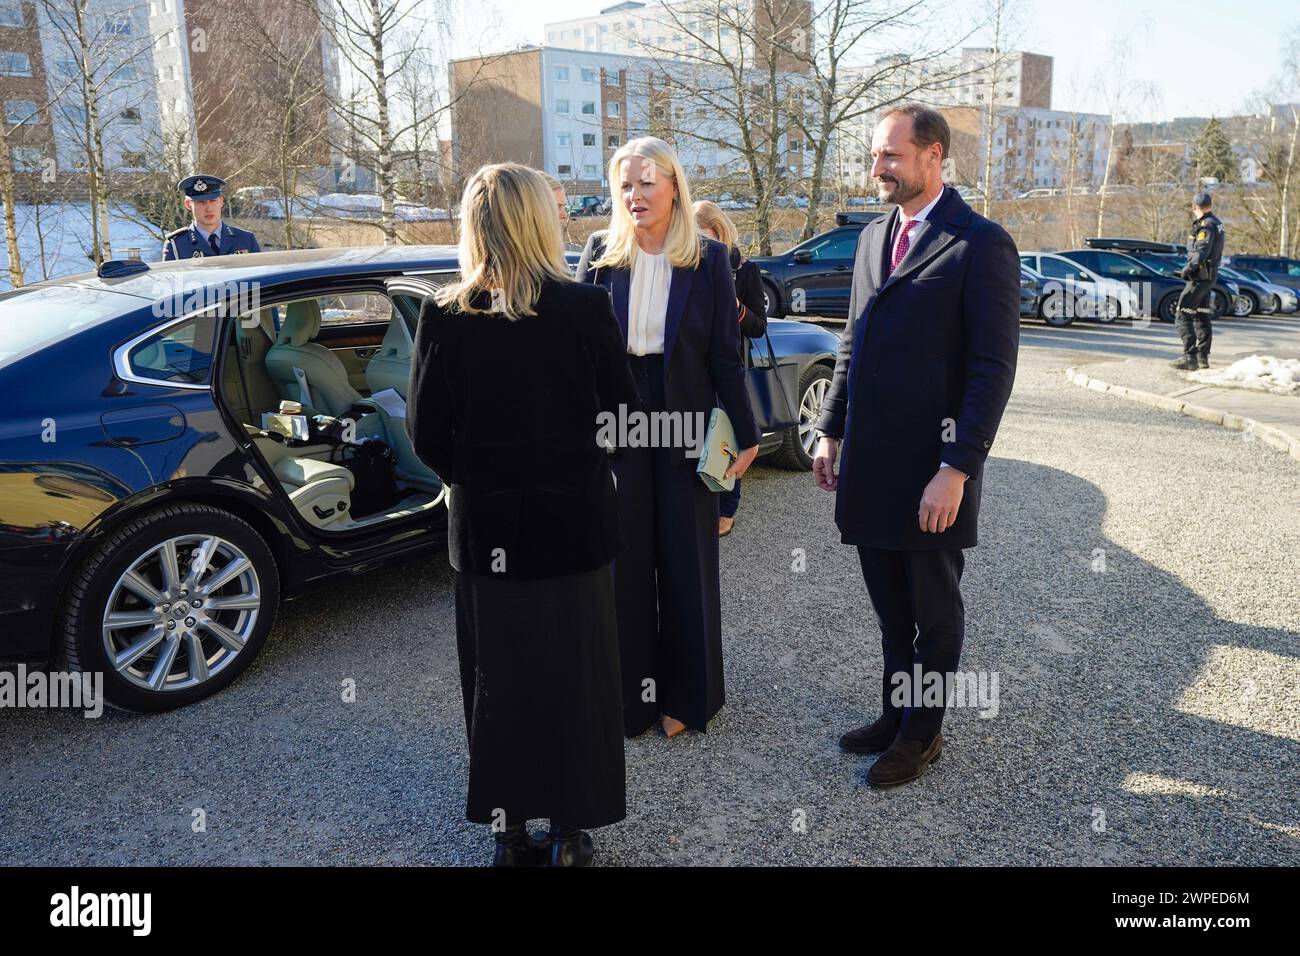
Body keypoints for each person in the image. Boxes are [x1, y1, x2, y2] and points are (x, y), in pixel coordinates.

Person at [406, 163, 641, 867]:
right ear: (540, 220)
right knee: (578, 678)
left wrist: (475, 480)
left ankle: (511, 837)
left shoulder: (446, 314)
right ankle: (570, 832)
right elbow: (624, 418)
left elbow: (424, 432)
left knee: (497, 683)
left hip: (487, 535)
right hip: (572, 529)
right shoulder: (583, 308)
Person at [812, 104, 1019, 788]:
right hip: (872, 467)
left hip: (933, 469)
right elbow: (853, 345)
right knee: (889, 607)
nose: (878, 168)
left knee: (933, 611)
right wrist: (831, 430)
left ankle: (922, 734)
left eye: (891, 156)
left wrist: (957, 467)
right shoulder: (874, 237)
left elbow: (992, 370)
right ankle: (895, 712)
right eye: (876, 156)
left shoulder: (979, 243)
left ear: (933, 156)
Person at [576, 136, 760, 739]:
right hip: (620, 419)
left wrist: (747, 433)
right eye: (625, 184)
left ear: (674, 186)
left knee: (687, 559)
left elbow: (726, 359)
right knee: (624, 562)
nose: (635, 194)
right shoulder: (600, 252)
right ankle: (629, 700)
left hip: (688, 418)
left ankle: (688, 696)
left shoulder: (708, 260)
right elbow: (578, 353)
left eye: (646, 182)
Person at [693, 199, 767, 538]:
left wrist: (734, 307)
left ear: (718, 231)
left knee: (727, 437)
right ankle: (701, 503)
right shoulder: (688, 263)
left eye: (703, 234)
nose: (698, 241)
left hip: (729, 366)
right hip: (693, 368)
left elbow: (758, 325)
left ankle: (727, 508)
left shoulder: (745, 269)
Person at [1171, 192, 1225, 370]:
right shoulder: (1216, 223)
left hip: (1199, 277)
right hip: (1208, 276)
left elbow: (1201, 251)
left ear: (1194, 207)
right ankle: (1202, 357)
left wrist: (1188, 269)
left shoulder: (1206, 226)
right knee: (1201, 314)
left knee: (1182, 314)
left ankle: (1190, 357)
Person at [162, 174, 262, 259]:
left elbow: (258, 281)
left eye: (213, 201)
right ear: (188, 204)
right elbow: (173, 282)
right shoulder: (176, 245)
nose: (209, 208)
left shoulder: (246, 239)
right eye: (201, 202)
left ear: (221, 201)